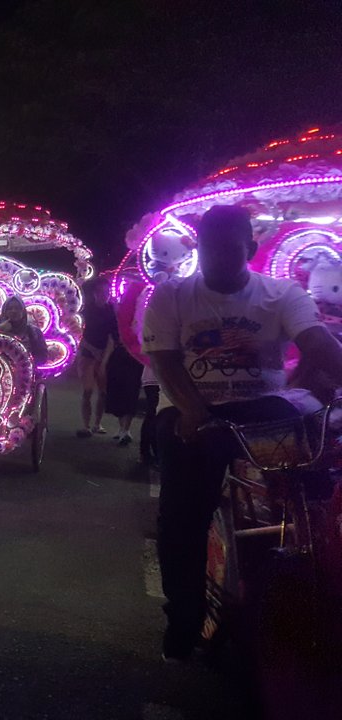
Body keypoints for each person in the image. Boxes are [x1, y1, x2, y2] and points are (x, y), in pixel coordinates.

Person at [142, 205, 342, 662]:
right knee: (180, 517)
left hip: (261, 409)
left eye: (230, 251)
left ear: (249, 249)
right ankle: (185, 615)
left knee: (315, 467)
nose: (218, 260)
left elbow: (315, 342)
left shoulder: (281, 294)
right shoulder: (171, 296)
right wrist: (194, 411)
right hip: (194, 411)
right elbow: (167, 362)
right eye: (210, 251)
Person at [76, 276, 117, 438]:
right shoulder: (85, 310)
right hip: (87, 354)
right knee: (87, 390)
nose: (104, 295)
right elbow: (78, 334)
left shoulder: (111, 310)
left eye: (107, 291)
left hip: (104, 355)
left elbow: (113, 336)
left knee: (103, 392)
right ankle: (85, 425)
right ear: (94, 293)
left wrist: (105, 357)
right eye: (101, 292)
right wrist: (92, 350)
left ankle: (97, 424)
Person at [104, 343, 144, 446]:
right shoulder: (116, 328)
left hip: (135, 356)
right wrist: (105, 362)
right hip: (118, 357)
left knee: (131, 392)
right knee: (118, 392)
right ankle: (122, 428)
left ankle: (126, 429)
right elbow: (111, 342)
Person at [0, 296, 48, 362]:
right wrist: (0, 332)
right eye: (10, 308)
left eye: (17, 308)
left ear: (23, 311)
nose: (14, 311)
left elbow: (42, 357)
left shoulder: (33, 331)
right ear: (4, 311)